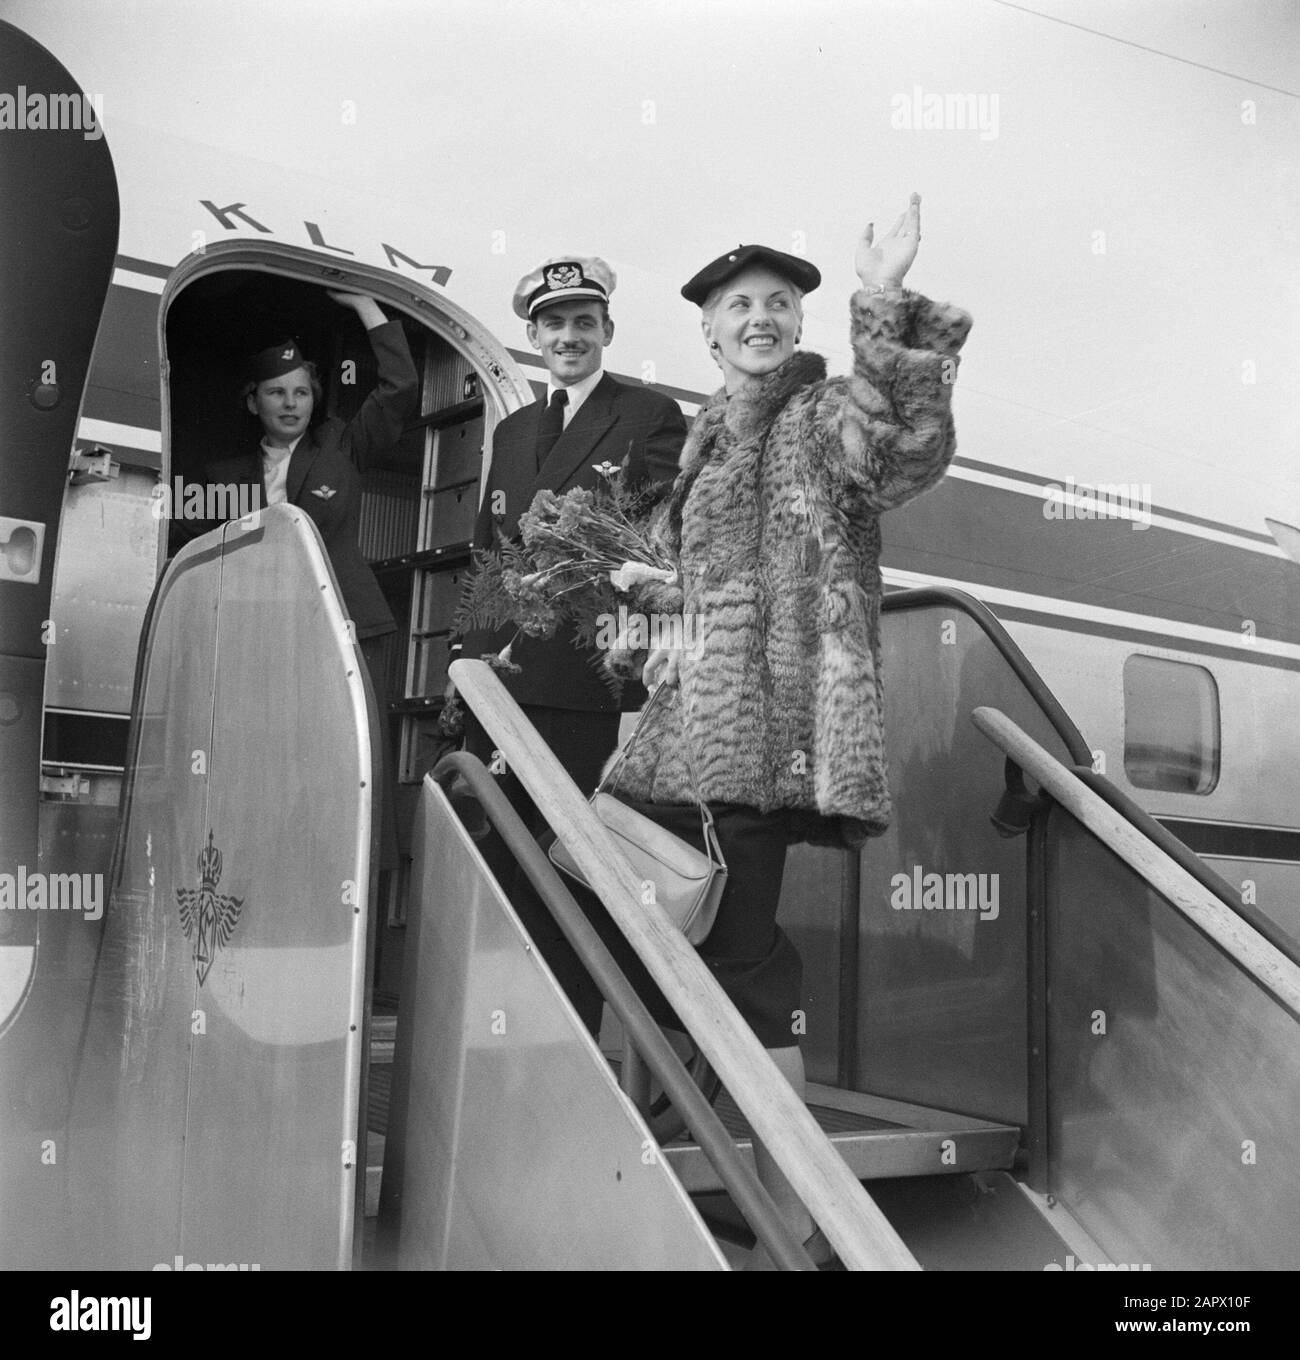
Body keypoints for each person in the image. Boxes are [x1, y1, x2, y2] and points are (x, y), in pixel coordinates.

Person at [607, 195, 972, 1264]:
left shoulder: (820, 419)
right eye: (737, 305)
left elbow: (902, 448)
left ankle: (794, 1216)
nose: (757, 318)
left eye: (776, 304)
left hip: (773, 739)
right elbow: (697, 592)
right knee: (627, 907)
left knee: (741, 954)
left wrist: (885, 298)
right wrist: (647, 610)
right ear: (708, 331)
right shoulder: (704, 441)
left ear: (799, 327)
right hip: (683, 734)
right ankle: (649, 1142)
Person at [451, 255, 687, 1032]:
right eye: (554, 324)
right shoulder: (516, 428)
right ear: (533, 335)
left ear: (608, 330)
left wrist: (634, 690)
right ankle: (500, 1025)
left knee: (571, 864)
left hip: (586, 683)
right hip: (504, 679)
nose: (570, 336)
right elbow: (488, 552)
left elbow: (657, 548)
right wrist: (468, 666)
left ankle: (569, 1036)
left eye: (585, 322)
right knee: (500, 854)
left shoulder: (647, 413)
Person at [205, 290, 419, 867]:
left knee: (350, 754)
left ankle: (355, 873)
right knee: (269, 758)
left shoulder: (341, 445)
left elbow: (400, 391)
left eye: (302, 391)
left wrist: (368, 309)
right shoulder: (221, 476)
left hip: (348, 623)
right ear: (253, 402)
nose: (291, 403)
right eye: (277, 392)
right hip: (263, 631)